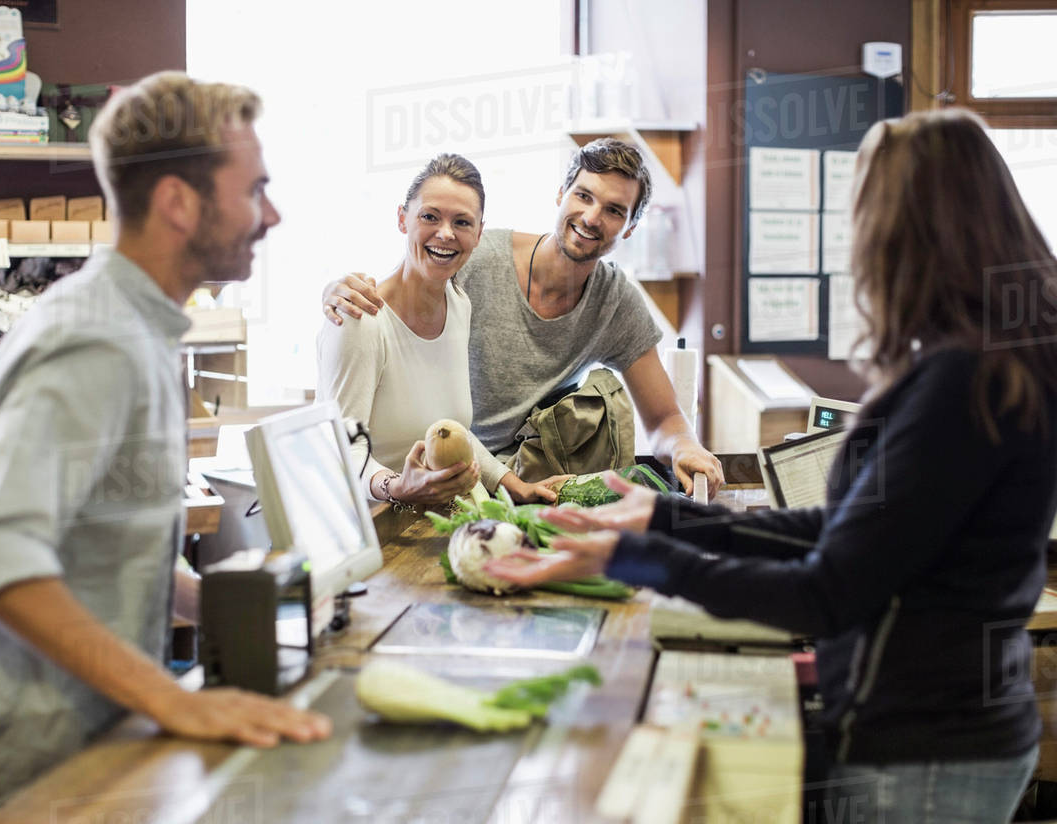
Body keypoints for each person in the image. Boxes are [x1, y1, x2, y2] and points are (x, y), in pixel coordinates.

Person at [487, 109, 1057, 823]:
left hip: (928, 755)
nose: (857, 236)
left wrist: (638, 558)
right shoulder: (968, 362)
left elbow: (829, 589)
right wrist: (664, 514)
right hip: (925, 735)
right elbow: (844, 533)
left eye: (867, 208)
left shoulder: (962, 383)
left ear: (916, 225)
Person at [0, 73, 331, 816]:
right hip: (33, 773)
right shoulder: (96, 338)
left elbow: (94, 535)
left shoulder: (139, 330)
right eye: (254, 189)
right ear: (178, 201)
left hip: (90, 747)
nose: (270, 214)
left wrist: (212, 606)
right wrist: (179, 704)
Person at [323, 138, 724, 498]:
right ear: (560, 194)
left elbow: (665, 416)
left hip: (512, 482)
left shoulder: (615, 302)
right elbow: (400, 292)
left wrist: (687, 447)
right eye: (583, 195)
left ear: (632, 228)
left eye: (615, 210)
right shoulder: (473, 260)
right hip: (423, 478)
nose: (591, 217)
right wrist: (335, 292)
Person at [318, 154, 567, 506]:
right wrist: (397, 487)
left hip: (419, 525)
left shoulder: (458, 304)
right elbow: (339, 445)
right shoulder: (361, 318)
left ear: (479, 233)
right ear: (402, 219)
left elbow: (449, 425)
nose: (445, 233)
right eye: (430, 216)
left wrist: (512, 483)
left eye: (462, 222)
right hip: (363, 527)